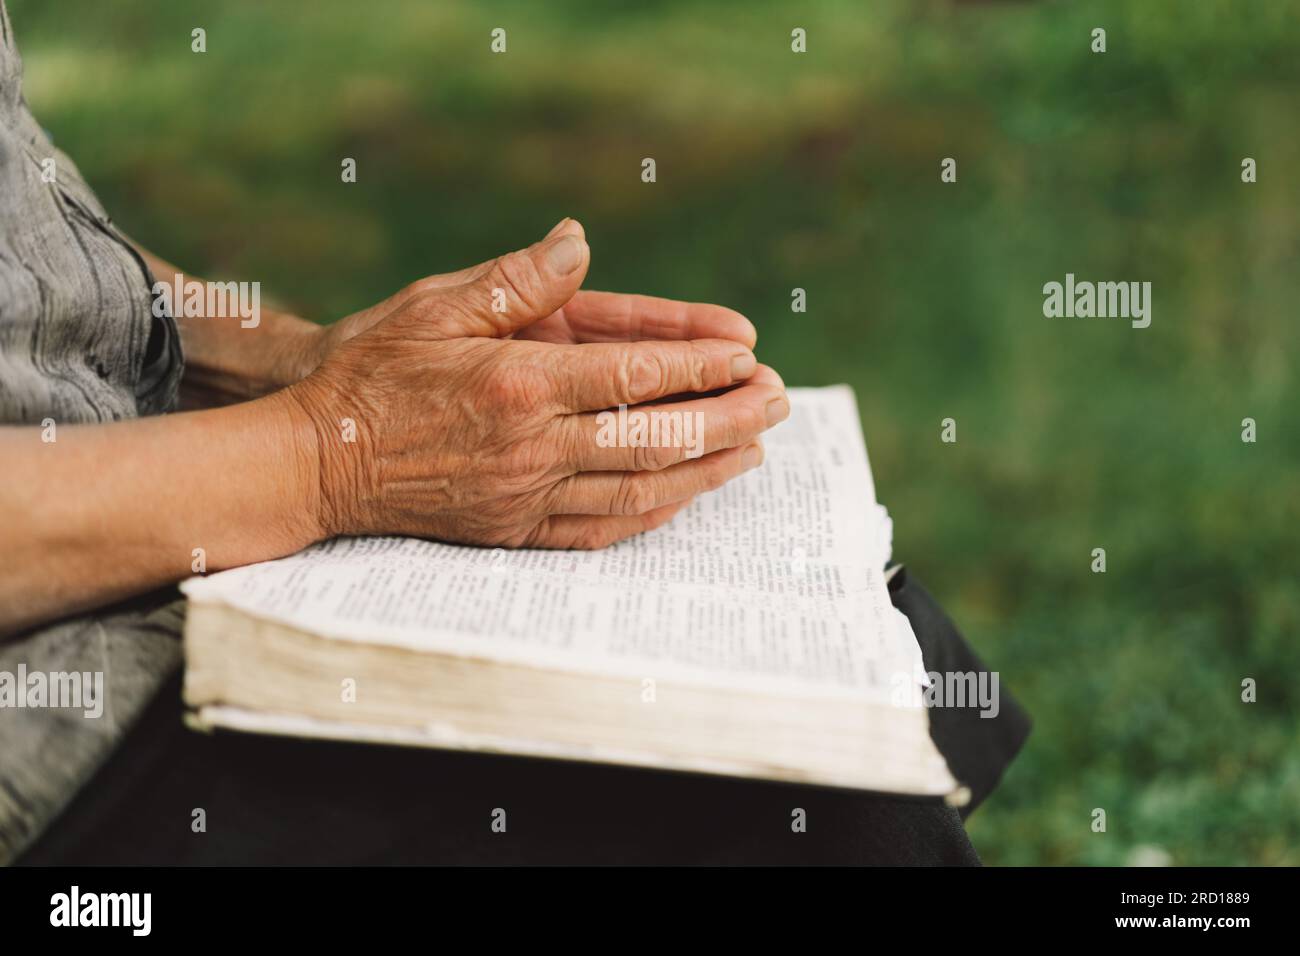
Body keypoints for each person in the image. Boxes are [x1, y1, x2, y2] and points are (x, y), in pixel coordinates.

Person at [0, 1, 1027, 864]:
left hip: (159, 518)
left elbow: (33, 229)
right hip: (60, 719)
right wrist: (334, 451)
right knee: (789, 792)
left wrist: (301, 357)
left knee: (877, 640)